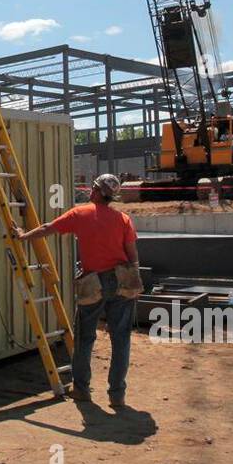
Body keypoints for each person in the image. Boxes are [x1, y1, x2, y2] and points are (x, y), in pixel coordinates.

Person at [16, 173, 140, 407]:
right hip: (122, 280)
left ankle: (82, 390)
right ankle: (117, 396)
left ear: (95, 191)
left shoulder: (80, 214)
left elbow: (47, 228)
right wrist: (135, 281)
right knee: (121, 340)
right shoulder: (123, 219)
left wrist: (23, 237)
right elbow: (132, 254)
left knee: (84, 339)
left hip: (92, 282)